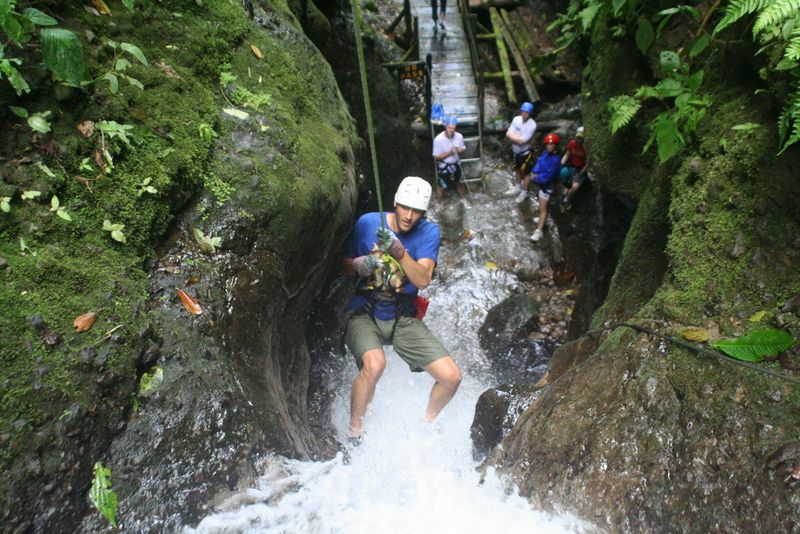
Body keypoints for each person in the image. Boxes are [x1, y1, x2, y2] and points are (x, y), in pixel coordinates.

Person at [342, 176, 462, 439]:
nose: (409, 216)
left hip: (402, 314)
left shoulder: (429, 233)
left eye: (416, 211)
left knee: (451, 377)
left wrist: (400, 253)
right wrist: (358, 265)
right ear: (395, 202)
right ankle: (354, 433)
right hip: (364, 310)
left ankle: (425, 425)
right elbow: (344, 265)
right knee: (375, 365)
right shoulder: (367, 223)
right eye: (405, 207)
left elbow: (423, 279)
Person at [529, 133, 562, 242]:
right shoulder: (545, 153)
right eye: (547, 144)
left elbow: (549, 176)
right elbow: (539, 164)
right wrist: (534, 172)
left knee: (543, 208)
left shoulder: (556, 160)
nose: (549, 146)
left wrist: (535, 178)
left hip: (548, 186)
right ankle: (541, 219)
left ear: (556, 145)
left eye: (551, 144)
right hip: (542, 184)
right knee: (542, 205)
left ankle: (539, 231)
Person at [504, 102, 538, 203]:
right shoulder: (516, 119)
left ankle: (525, 191)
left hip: (525, 152)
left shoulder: (532, 125)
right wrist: (516, 137)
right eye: (523, 111)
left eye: (527, 112)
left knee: (526, 173)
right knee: (517, 169)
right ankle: (517, 186)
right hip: (515, 151)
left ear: (530, 113)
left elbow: (522, 141)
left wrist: (513, 136)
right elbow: (508, 133)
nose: (524, 114)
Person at [432, 116, 467, 204]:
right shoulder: (438, 139)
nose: (451, 130)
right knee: (441, 186)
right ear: (445, 127)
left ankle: (463, 200)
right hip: (444, 165)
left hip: (456, 164)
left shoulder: (459, 136)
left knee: (460, 183)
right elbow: (436, 157)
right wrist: (450, 152)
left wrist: (460, 150)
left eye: (453, 128)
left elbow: (463, 148)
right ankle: (439, 203)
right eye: (449, 128)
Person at [559, 126, 589, 207]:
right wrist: (561, 164)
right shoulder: (572, 143)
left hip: (580, 169)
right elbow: (567, 155)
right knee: (560, 174)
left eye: (581, 138)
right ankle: (564, 191)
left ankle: (567, 199)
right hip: (571, 166)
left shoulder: (586, 148)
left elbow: (588, 163)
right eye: (578, 137)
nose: (579, 140)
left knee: (575, 186)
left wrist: (580, 174)